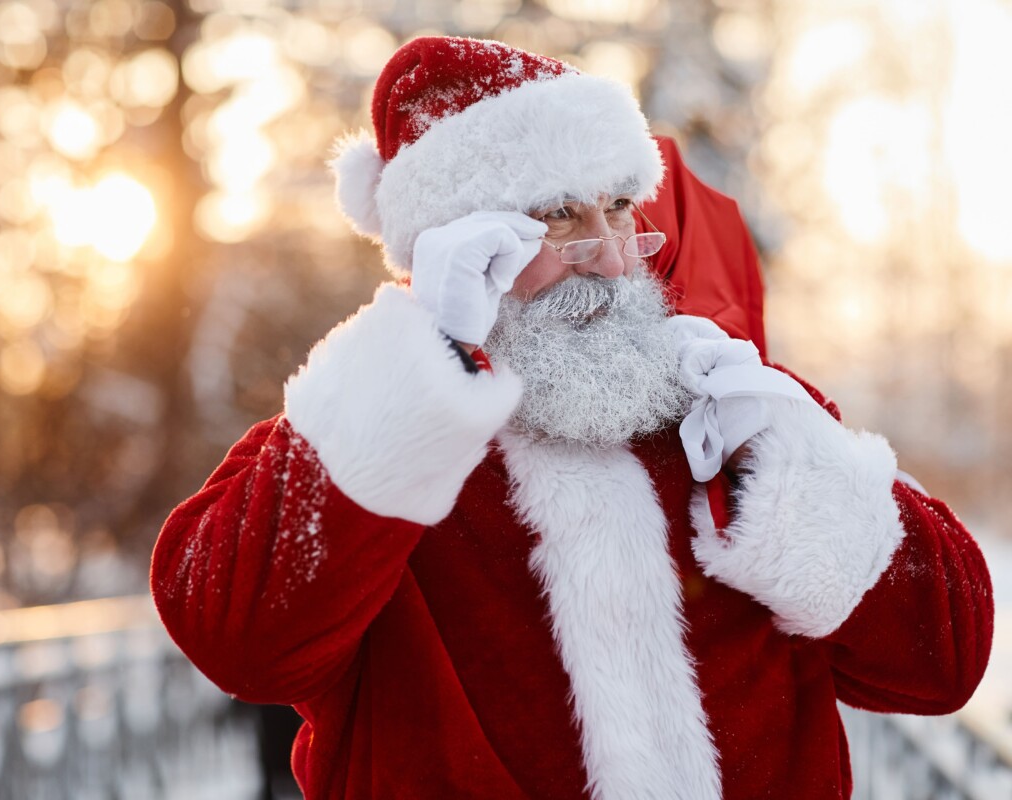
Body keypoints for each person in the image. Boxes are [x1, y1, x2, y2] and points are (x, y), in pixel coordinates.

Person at [151, 36, 993, 799]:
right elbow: (235, 637)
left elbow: (945, 659)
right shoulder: (373, 441)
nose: (617, 256)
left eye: (621, 207)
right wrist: (417, 356)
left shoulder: (730, 410)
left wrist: (794, 458)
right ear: (464, 242)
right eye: (560, 215)